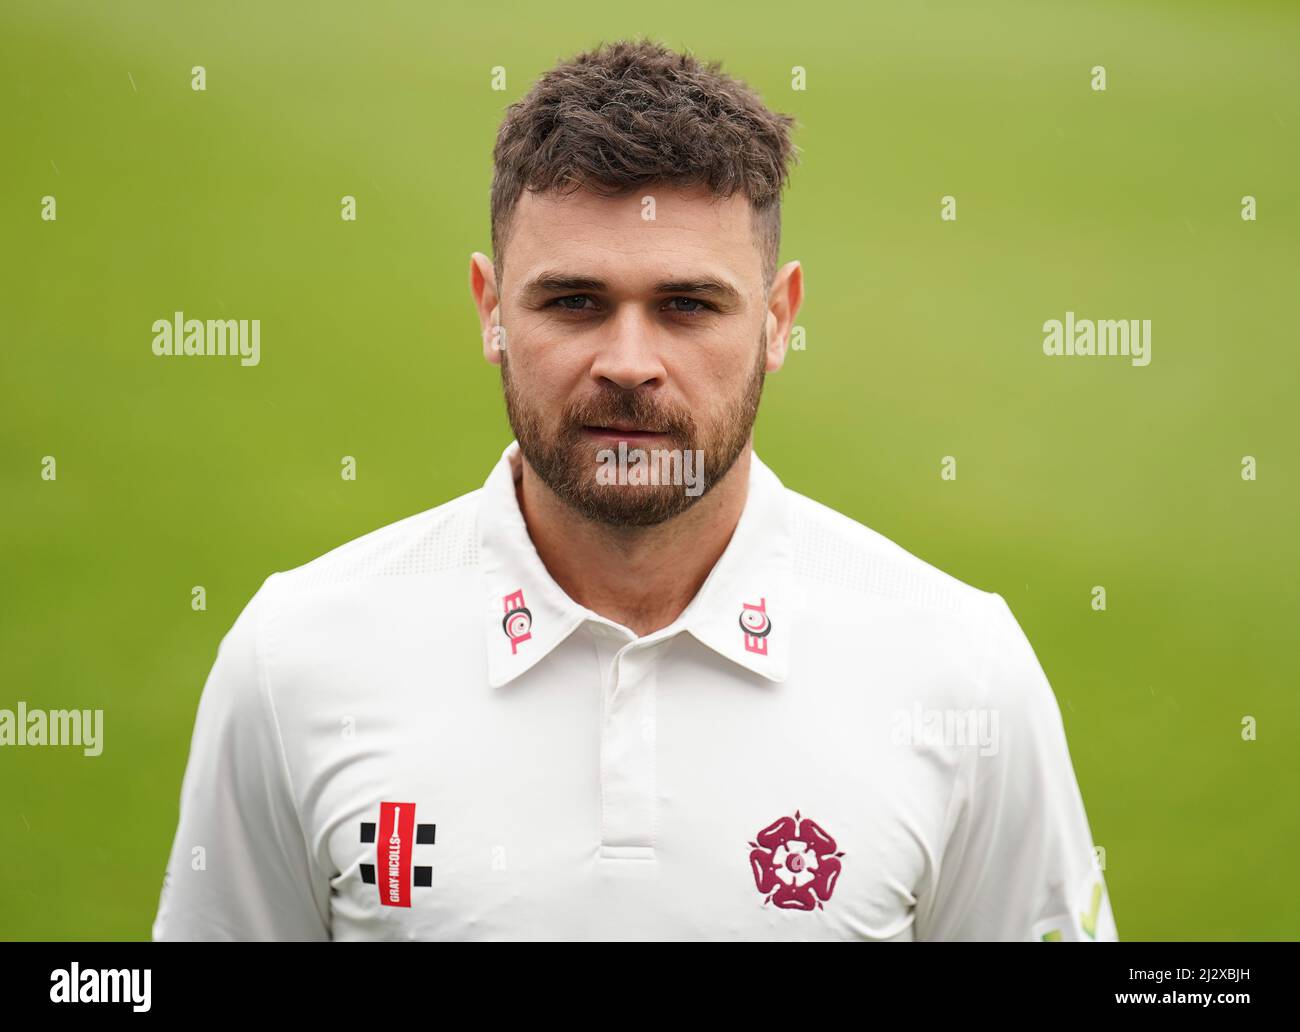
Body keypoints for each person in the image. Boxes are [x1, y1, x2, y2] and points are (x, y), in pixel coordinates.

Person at [152, 38, 1116, 941]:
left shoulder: (961, 670)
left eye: (688, 306)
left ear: (779, 321)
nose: (628, 362)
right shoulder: (296, 659)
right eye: (573, 302)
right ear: (490, 311)